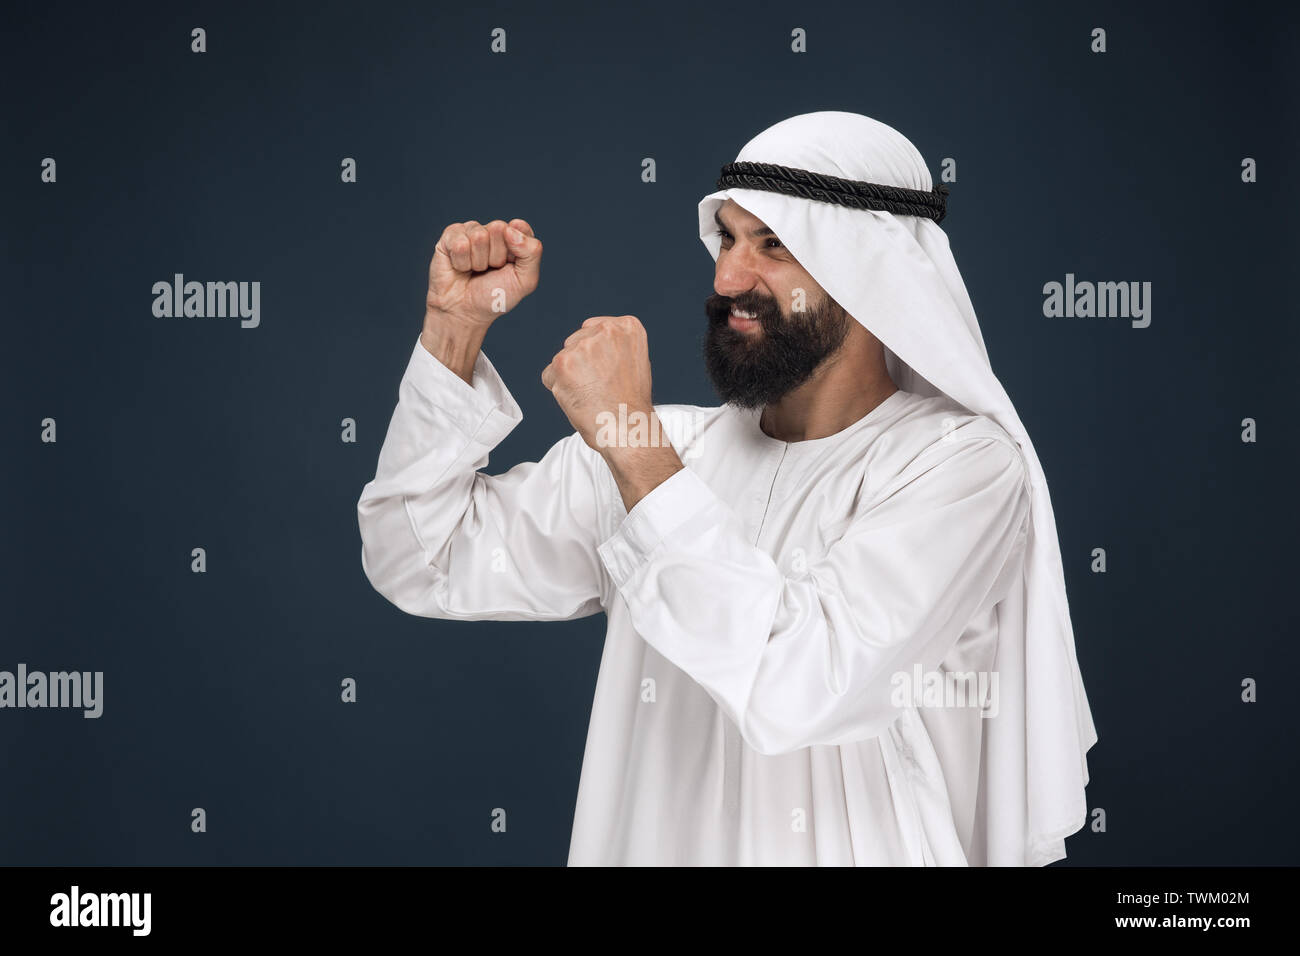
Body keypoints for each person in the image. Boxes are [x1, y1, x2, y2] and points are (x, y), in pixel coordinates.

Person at [356, 111, 1098, 866]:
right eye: (729, 240)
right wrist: (454, 331)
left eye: (773, 244)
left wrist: (628, 441)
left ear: (870, 268)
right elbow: (421, 557)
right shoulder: (664, 449)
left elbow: (803, 682)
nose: (728, 279)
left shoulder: (959, 466)